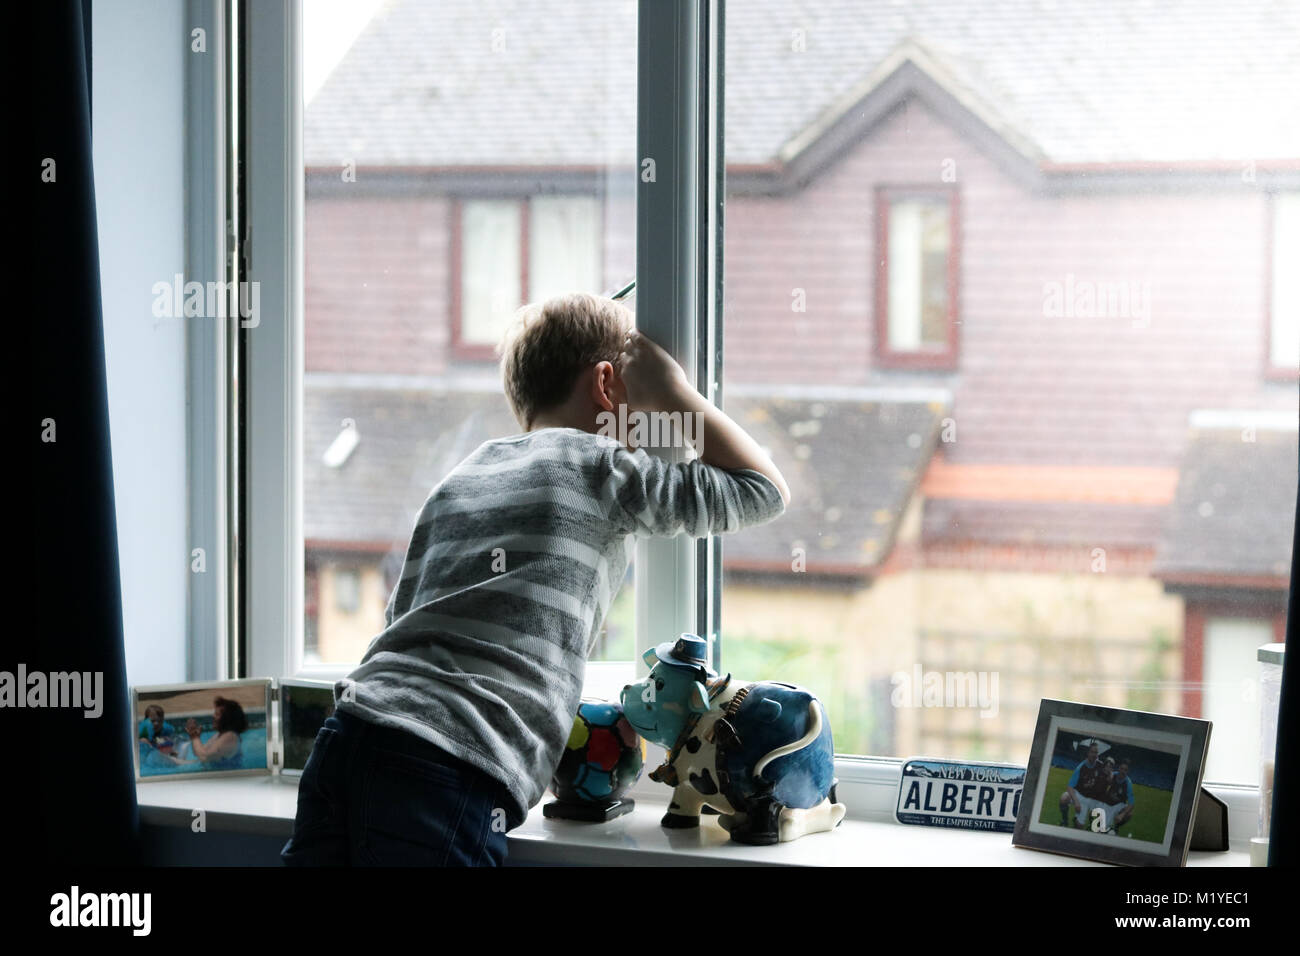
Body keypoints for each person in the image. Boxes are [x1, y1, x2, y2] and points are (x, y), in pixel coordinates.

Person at [281, 293, 790, 866]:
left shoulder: (463, 476)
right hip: (450, 757)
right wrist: (676, 392)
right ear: (607, 384)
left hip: (351, 729)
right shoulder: (601, 468)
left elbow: (403, 617)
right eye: (640, 399)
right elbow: (761, 490)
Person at [1059, 740, 1109, 827]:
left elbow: (1110, 776)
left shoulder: (1101, 766)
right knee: (1064, 797)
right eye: (1092, 752)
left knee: (1079, 826)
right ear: (1088, 753)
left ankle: (1077, 820)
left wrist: (1110, 774)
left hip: (1092, 799)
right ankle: (1065, 821)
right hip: (1080, 795)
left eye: (1096, 752)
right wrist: (1076, 802)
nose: (1094, 755)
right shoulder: (1081, 767)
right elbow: (1070, 787)